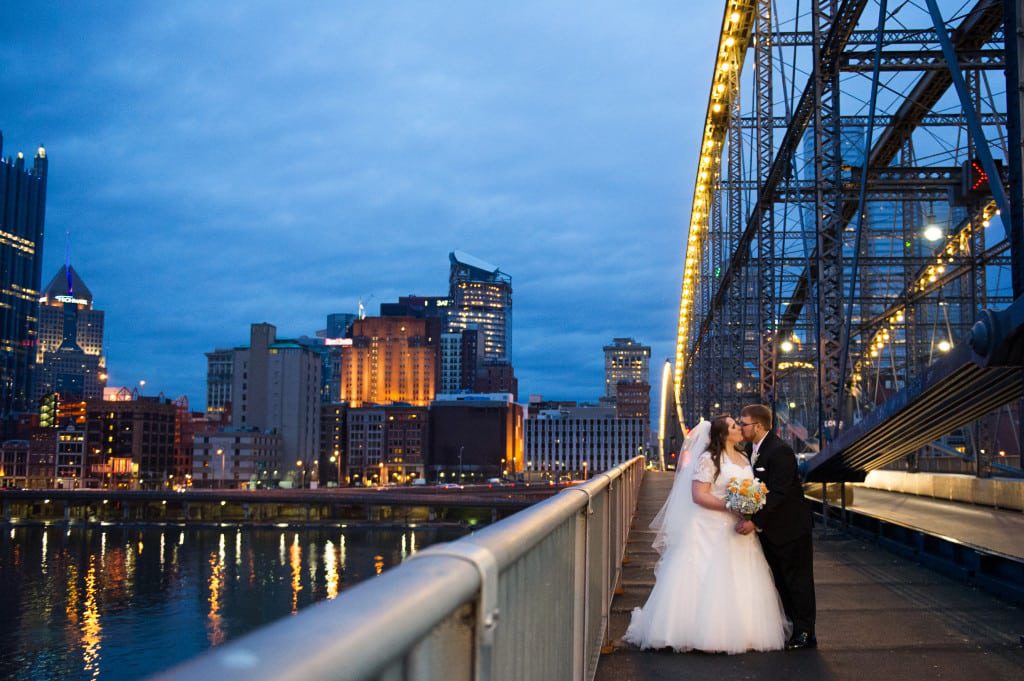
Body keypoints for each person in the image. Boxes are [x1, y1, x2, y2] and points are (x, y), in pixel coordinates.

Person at [624, 415, 789, 654]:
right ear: (723, 434)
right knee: (702, 574)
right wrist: (730, 507)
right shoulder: (709, 459)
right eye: (734, 426)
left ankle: (742, 631)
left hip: (739, 527)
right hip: (709, 526)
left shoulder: (744, 457)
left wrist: (749, 509)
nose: (739, 428)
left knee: (740, 575)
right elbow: (698, 495)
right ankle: (693, 630)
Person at [735, 404, 817, 650]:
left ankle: (806, 634)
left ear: (758, 426)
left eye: (744, 423)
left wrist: (754, 521)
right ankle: (794, 628)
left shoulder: (779, 451)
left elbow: (779, 493)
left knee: (799, 582)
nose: (741, 427)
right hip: (771, 531)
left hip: (791, 529)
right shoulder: (752, 449)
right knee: (782, 581)